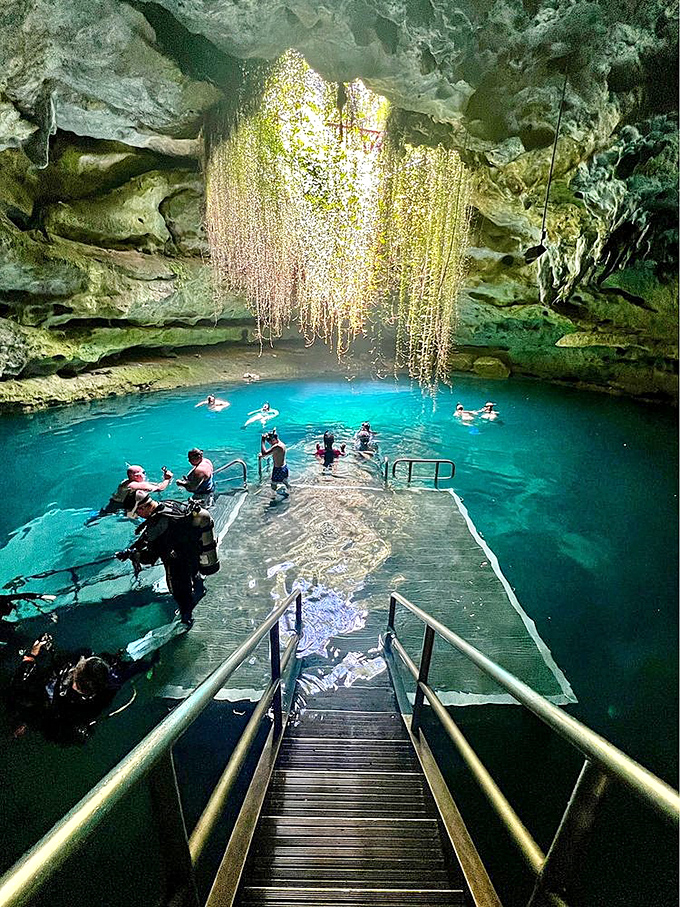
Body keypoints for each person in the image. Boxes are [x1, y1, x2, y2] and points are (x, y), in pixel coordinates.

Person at [7, 633, 151, 744]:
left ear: (77, 672)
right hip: (61, 719)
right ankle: (152, 663)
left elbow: (19, 685)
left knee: (31, 708)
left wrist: (31, 656)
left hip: (46, 713)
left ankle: (25, 723)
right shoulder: (104, 693)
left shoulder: (61, 683)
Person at [117, 492, 219, 628]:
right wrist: (133, 549)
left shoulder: (160, 524)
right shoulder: (169, 506)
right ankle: (199, 587)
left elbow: (150, 557)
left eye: (137, 513)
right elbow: (150, 535)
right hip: (193, 552)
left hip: (178, 560)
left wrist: (133, 555)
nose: (138, 516)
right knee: (193, 573)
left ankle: (186, 617)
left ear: (142, 508)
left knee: (180, 591)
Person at [94, 464, 173, 519]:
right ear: (137, 476)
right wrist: (167, 479)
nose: (145, 475)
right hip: (117, 509)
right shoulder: (133, 485)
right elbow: (160, 488)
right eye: (143, 473)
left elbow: (149, 485)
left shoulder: (127, 482)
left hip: (114, 505)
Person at [260, 429, 291, 498]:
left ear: (274, 439)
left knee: (273, 485)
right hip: (284, 467)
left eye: (270, 442)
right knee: (284, 480)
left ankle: (283, 494)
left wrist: (262, 441)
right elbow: (272, 452)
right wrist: (273, 433)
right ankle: (289, 489)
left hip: (278, 469)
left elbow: (264, 453)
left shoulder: (277, 447)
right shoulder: (281, 444)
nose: (270, 444)